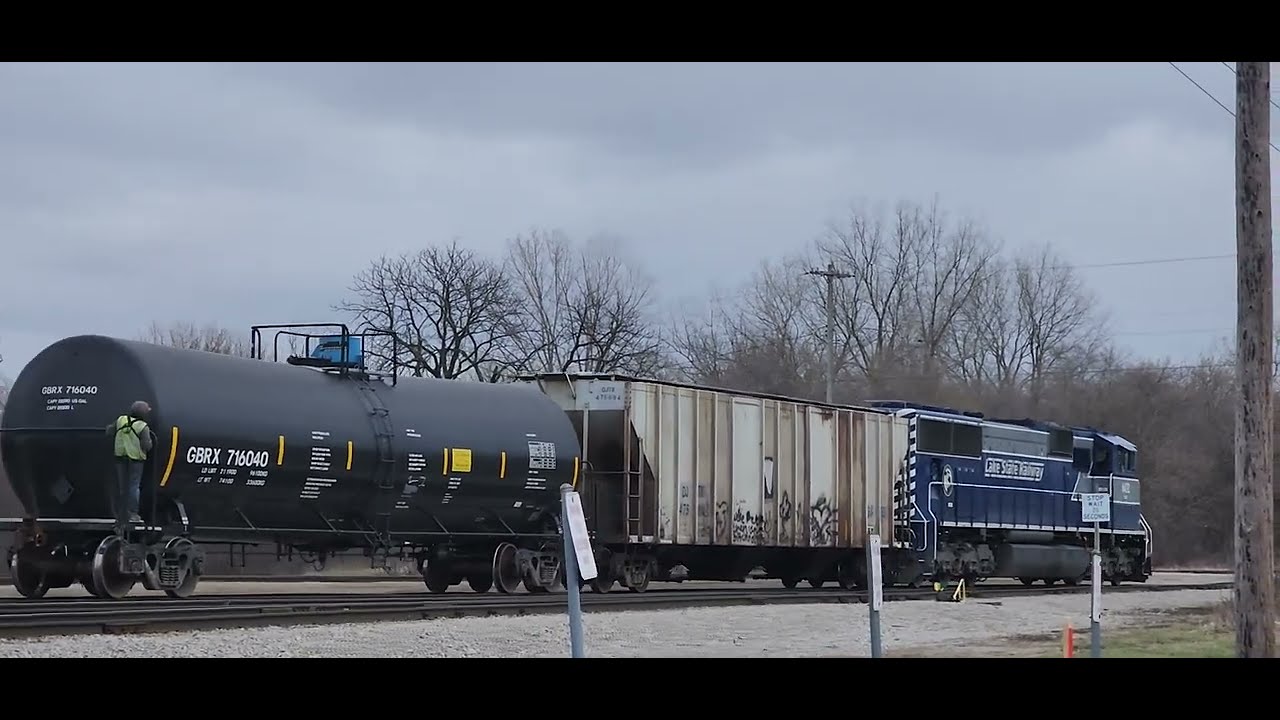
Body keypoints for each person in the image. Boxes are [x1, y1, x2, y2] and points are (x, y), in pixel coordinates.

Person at [104, 401, 155, 526]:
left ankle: (120, 514)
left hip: (120, 457)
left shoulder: (121, 420)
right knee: (133, 486)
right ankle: (133, 514)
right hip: (136, 460)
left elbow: (109, 431)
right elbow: (147, 445)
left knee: (122, 488)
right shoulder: (143, 427)